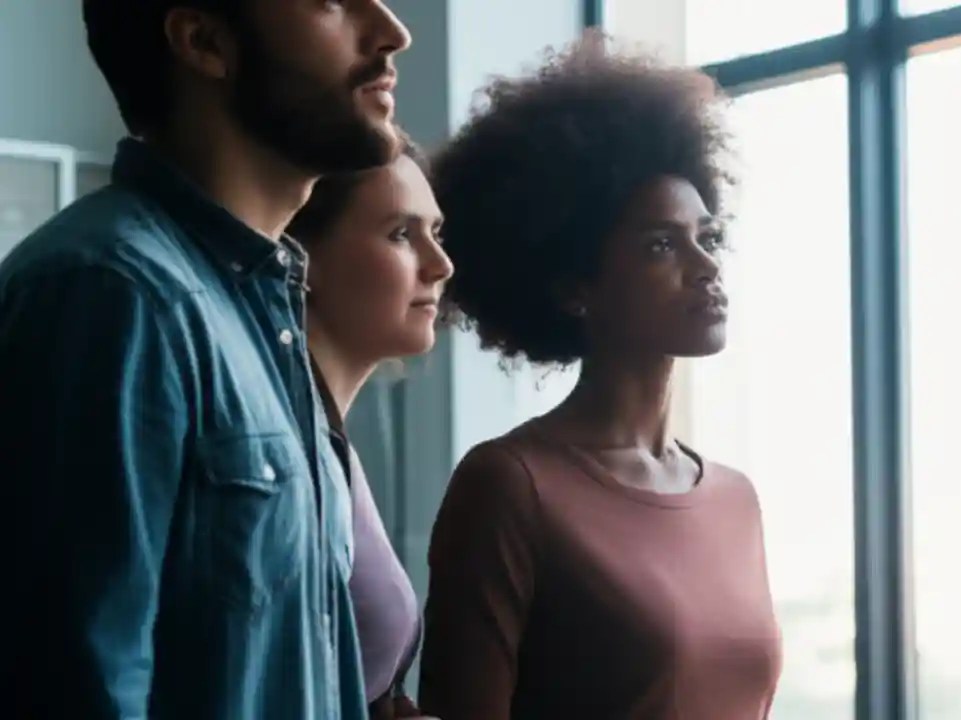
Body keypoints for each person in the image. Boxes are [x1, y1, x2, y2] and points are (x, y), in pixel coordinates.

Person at [0, 1, 410, 717]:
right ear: (205, 42)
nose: (392, 32)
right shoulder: (112, 294)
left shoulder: (267, 308)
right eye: (332, 2)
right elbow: (76, 686)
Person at [417, 35, 783, 719]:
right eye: (660, 245)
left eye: (708, 236)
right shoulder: (511, 487)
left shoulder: (736, 499)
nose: (706, 266)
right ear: (573, 286)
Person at [286, 130, 453, 720]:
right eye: (401, 234)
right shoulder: (284, 445)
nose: (440, 265)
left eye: (437, 234)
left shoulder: (329, 442)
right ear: (302, 257)